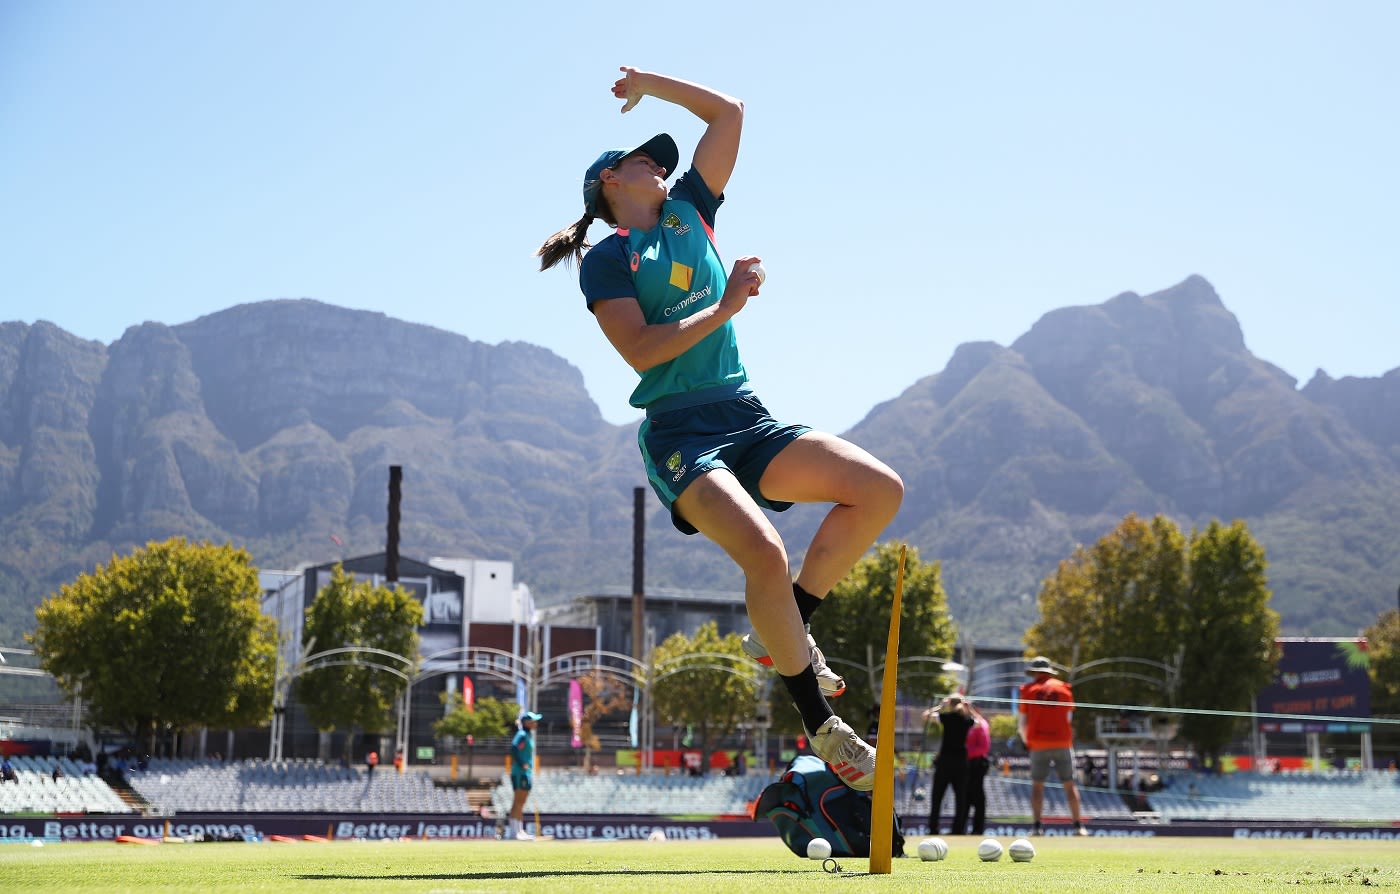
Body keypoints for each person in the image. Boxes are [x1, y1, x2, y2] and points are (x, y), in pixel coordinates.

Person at [536, 67, 903, 793]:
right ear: (615, 179)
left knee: (878, 490)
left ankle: (786, 628)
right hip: (679, 433)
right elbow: (641, 351)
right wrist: (729, 304)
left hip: (745, 414)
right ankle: (822, 724)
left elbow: (731, 111)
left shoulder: (690, 211)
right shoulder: (608, 261)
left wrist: (649, 82)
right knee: (763, 551)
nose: (663, 167)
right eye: (649, 160)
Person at [1019, 656, 1089, 835]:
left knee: (1037, 785)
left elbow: (1022, 724)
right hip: (1062, 742)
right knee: (1069, 784)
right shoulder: (1064, 689)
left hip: (1037, 743)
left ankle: (1036, 828)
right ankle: (1078, 827)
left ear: (1034, 672)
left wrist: (1028, 742)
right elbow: (1068, 718)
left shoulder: (1028, 690)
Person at [927, 695, 973, 834]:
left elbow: (926, 716)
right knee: (961, 797)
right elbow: (978, 723)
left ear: (950, 704)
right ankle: (958, 829)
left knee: (937, 796)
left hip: (945, 761)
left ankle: (933, 828)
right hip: (961, 762)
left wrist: (941, 706)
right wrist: (968, 708)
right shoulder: (967, 719)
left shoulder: (946, 717)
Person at [506, 711, 542, 841]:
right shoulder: (522, 734)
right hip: (520, 772)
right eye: (533, 721)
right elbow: (514, 748)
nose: (535, 723)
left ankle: (519, 830)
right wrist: (522, 764)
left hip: (525, 772)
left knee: (521, 803)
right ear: (527, 722)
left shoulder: (527, 735)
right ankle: (514, 832)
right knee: (518, 801)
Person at [964, 700, 991, 836]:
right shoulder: (967, 724)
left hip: (977, 763)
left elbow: (983, 747)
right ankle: (963, 828)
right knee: (966, 797)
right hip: (967, 764)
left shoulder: (981, 723)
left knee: (978, 797)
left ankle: (978, 829)